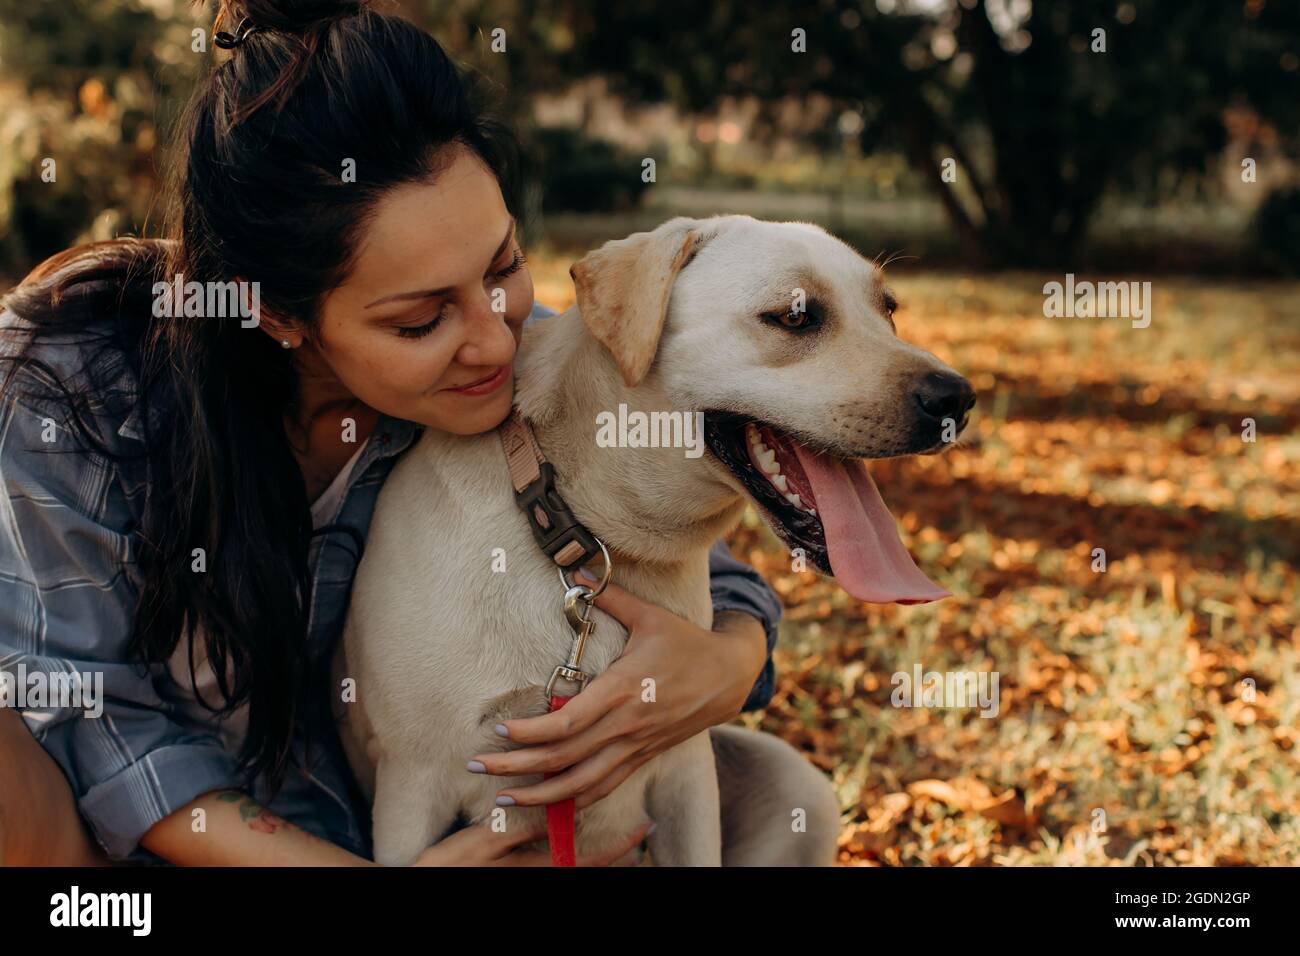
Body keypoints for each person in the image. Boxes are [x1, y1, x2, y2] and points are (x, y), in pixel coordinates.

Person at [0, 0, 840, 867]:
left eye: (504, 265)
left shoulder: (519, 361)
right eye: (419, 321)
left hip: (430, 797)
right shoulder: (73, 381)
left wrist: (726, 666)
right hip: (158, 843)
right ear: (277, 314)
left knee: (777, 795)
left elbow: (677, 540)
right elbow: (92, 714)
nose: (496, 339)